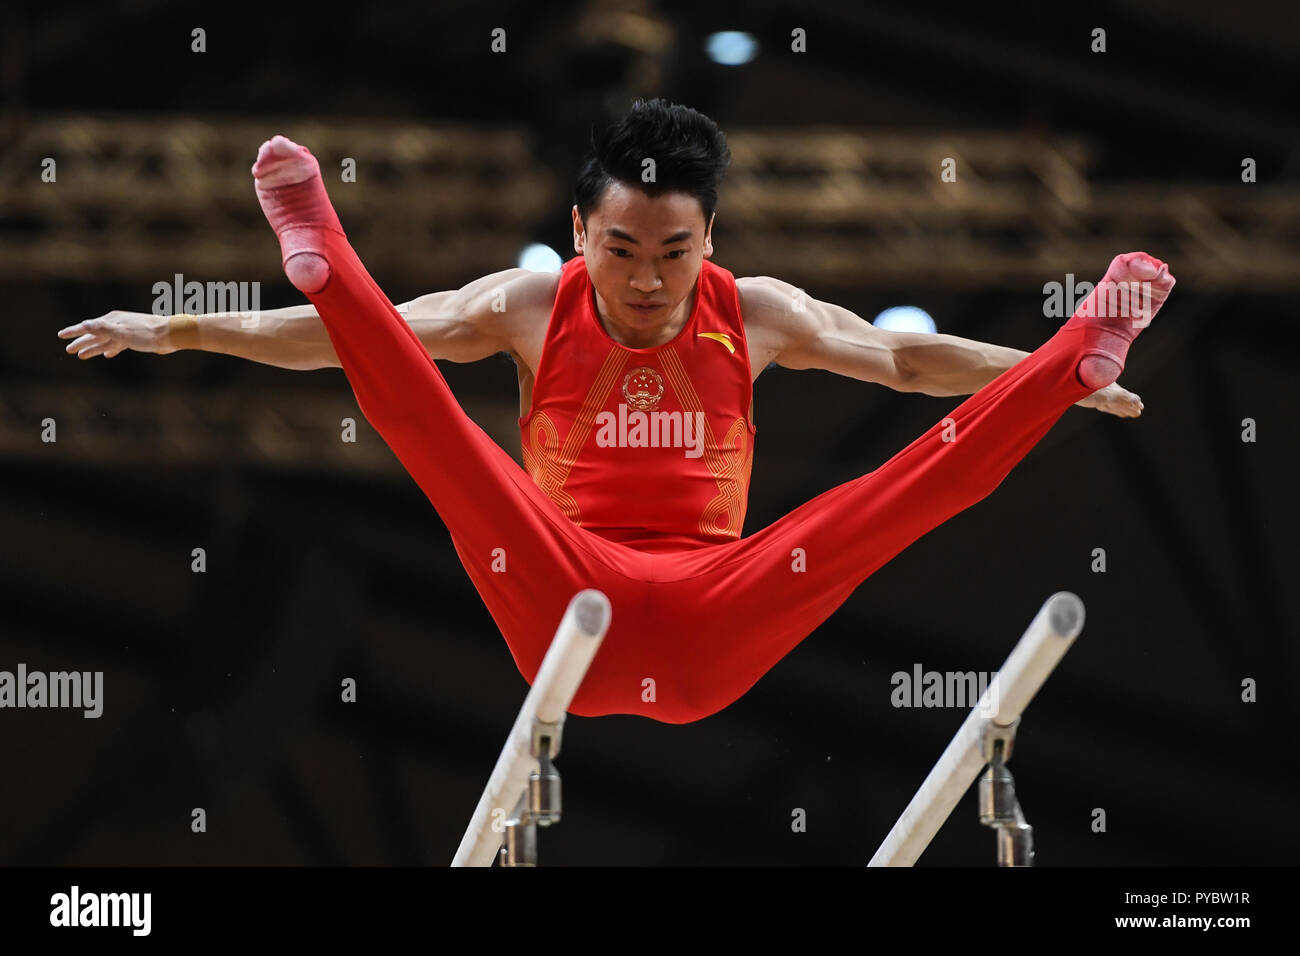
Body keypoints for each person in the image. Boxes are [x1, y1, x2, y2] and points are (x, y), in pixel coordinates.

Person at [58, 99, 1175, 724]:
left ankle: (1078, 348)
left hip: (712, 611)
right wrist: (179, 329)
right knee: (435, 431)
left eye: (675, 253)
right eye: (624, 250)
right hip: (565, 599)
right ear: (581, 231)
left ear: (710, 242)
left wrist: (1030, 372)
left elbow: (901, 355)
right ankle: (321, 254)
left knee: (889, 501)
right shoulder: (532, 304)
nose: (648, 279)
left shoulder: (759, 312)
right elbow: (369, 348)